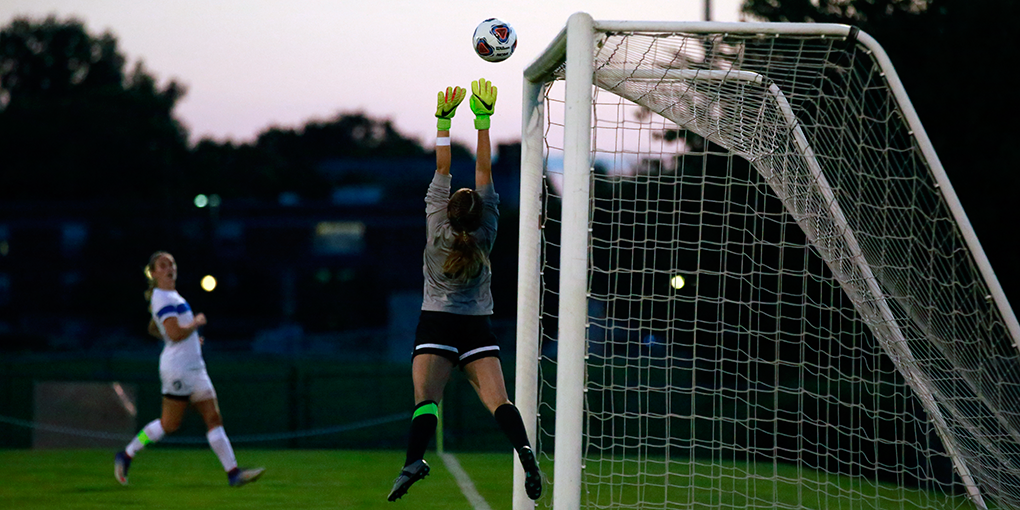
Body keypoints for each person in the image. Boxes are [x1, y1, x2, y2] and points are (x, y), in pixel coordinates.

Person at [387, 78, 543, 502]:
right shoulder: (488, 226)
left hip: (437, 323)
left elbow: (442, 168)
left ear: (449, 209)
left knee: (426, 401)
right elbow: (484, 171)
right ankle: (525, 451)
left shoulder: (437, 224)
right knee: (500, 402)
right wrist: (483, 121)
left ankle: (413, 460)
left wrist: (443, 122)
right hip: (476, 328)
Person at [114, 251, 264, 488]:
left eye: (172, 264)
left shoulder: (169, 296)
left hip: (194, 367)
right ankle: (127, 454)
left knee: (213, 417)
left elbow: (156, 328)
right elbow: (173, 332)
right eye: (163, 265)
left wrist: (190, 340)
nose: (169, 268)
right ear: (153, 273)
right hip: (178, 370)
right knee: (169, 424)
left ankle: (233, 473)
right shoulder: (162, 297)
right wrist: (194, 324)